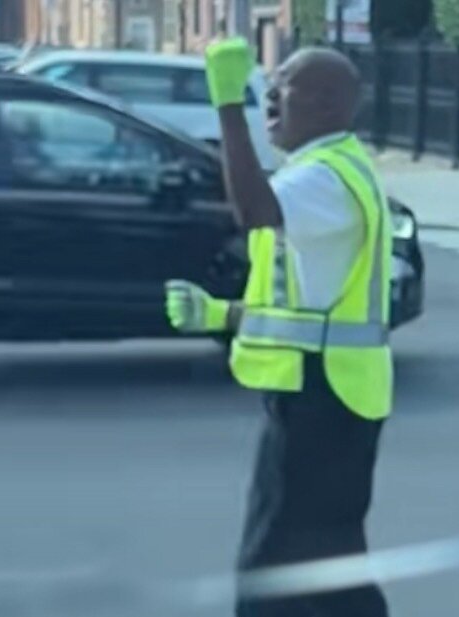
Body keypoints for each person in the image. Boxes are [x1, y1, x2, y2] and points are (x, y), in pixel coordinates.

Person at [164, 38, 393, 617]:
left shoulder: (324, 179)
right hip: (332, 395)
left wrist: (225, 105)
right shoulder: (329, 169)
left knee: (276, 568)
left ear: (324, 105)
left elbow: (253, 211)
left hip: (322, 398)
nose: (268, 94)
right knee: (329, 564)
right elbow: (307, 303)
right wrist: (220, 315)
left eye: (283, 83)